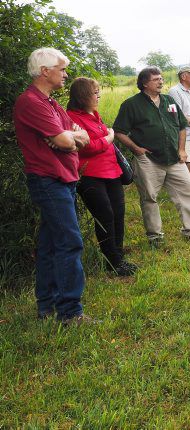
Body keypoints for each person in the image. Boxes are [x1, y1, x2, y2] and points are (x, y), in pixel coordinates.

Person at [13, 48, 93, 324]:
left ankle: (46, 307)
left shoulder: (51, 103)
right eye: (62, 69)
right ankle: (70, 312)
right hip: (49, 180)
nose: (66, 74)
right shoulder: (30, 102)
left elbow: (79, 137)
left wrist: (67, 137)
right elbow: (65, 141)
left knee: (49, 245)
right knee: (70, 242)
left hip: (64, 178)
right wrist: (66, 138)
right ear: (45, 71)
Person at [114, 66, 190, 246]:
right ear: (144, 83)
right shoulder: (131, 104)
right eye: (156, 79)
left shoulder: (169, 101)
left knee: (188, 190)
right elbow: (119, 131)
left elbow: (181, 126)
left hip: (174, 157)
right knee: (149, 197)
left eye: (161, 79)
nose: (161, 82)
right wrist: (136, 148)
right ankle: (155, 236)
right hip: (148, 159)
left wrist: (181, 150)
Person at [67, 77, 136, 277]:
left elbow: (96, 143)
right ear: (83, 96)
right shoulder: (71, 118)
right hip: (89, 175)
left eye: (98, 92)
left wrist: (104, 139)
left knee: (118, 214)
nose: (98, 96)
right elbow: (88, 147)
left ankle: (119, 258)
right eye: (95, 93)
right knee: (105, 216)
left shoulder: (95, 115)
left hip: (112, 172)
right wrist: (109, 137)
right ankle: (112, 261)